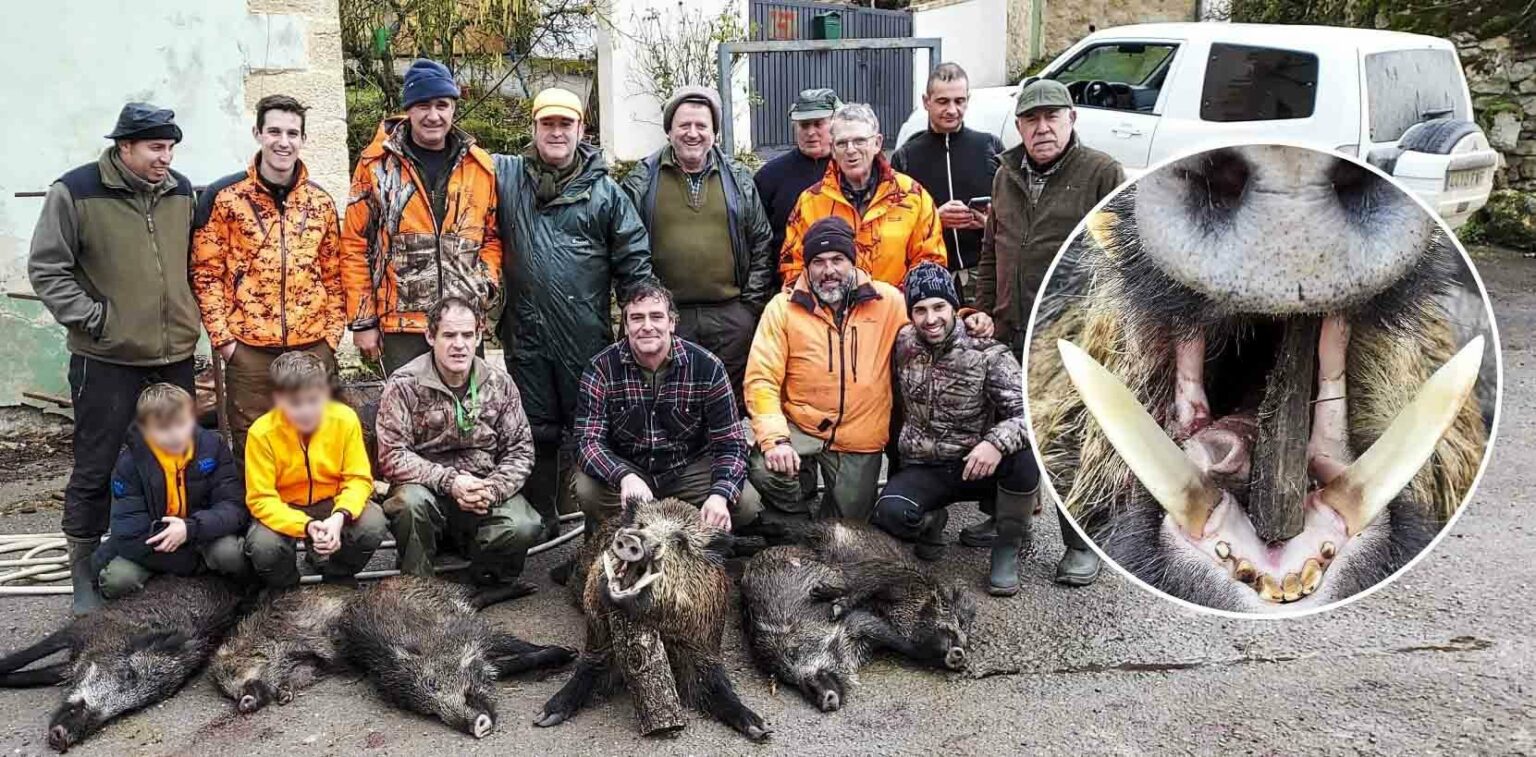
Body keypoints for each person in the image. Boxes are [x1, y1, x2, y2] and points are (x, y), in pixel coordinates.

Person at [28, 102, 201, 614]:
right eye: (154, 148)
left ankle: (161, 559)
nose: (164, 158)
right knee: (97, 464)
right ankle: (83, 571)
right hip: (105, 358)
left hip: (172, 355)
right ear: (124, 147)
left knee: (176, 460)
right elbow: (46, 268)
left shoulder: (181, 192)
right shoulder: (75, 192)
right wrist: (96, 319)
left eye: (169, 148)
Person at [973, 78, 1125, 586]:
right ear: (1019, 126)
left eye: (1051, 118)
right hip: (1012, 327)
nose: (1042, 128)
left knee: (1067, 438)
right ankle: (1007, 529)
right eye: (1031, 120)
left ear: (1071, 120)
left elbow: (1123, 255)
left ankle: (1080, 543)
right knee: (1013, 430)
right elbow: (993, 247)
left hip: (1072, 332)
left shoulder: (1100, 172)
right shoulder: (1006, 173)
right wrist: (984, 310)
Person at [492, 87, 652, 542]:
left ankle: (594, 534)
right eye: (548, 124)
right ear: (535, 129)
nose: (556, 132)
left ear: (582, 129)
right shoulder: (508, 177)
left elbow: (634, 262)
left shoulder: (606, 193)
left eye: (566, 124)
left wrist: (637, 328)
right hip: (526, 334)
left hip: (587, 339)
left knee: (590, 433)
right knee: (533, 431)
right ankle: (540, 525)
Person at [192, 94, 360, 453]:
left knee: (321, 440)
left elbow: (334, 273)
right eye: (274, 132)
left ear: (303, 139)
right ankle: (258, 510)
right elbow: (206, 274)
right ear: (258, 133)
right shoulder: (226, 198)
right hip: (250, 349)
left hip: (313, 344)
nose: (283, 142)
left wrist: (331, 339)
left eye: (292, 133)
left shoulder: (320, 202)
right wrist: (225, 342)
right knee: (254, 442)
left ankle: (326, 509)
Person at [870, 263, 1036, 595]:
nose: (930, 318)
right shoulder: (903, 344)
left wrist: (995, 444)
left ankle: (1007, 546)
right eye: (919, 310)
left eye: (938, 307)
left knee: (1026, 460)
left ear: (953, 307)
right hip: (925, 466)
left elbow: (1031, 414)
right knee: (888, 513)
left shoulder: (987, 352)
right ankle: (930, 521)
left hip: (977, 464)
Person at [344, 58, 502, 374]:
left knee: (468, 414)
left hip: (462, 323)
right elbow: (354, 244)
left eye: (442, 105)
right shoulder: (375, 166)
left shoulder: (479, 165)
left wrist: (483, 284)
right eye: (423, 105)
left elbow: (492, 236)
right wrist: (362, 321)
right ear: (409, 109)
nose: (433, 115)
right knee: (408, 415)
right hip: (402, 325)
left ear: (453, 108)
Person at [744, 217, 908, 521]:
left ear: (853, 260)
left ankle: (826, 517)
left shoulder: (890, 302)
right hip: (801, 426)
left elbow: (932, 325)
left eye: (837, 259)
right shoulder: (782, 308)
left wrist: (969, 319)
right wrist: (775, 439)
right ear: (806, 266)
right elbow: (761, 380)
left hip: (859, 436)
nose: (828, 271)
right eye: (818, 262)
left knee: (848, 528)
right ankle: (795, 519)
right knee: (764, 469)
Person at [376, 296, 543, 589]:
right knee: (408, 503)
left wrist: (491, 489)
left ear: (479, 336)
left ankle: (484, 579)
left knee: (524, 524)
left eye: (468, 335)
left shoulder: (499, 383)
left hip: (482, 490)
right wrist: (450, 482)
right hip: (428, 490)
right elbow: (392, 455)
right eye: (449, 335)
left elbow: (521, 450)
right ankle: (417, 587)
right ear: (430, 336)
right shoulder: (403, 384)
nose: (460, 344)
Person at [619, 86, 774, 398]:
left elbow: (762, 244)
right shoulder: (641, 180)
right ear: (668, 131)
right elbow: (624, 249)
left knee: (727, 406)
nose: (693, 133)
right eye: (684, 125)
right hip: (668, 319)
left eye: (702, 126)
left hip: (730, 320)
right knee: (669, 402)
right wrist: (648, 311)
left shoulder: (739, 179)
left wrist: (748, 309)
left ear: (714, 132)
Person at [573, 279, 760, 533]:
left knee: (746, 504)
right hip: (629, 469)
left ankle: (690, 535)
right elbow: (587, 442)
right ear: (625, 325)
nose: (647, 326)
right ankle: (613, 532)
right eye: (637, 318)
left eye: (656, 317)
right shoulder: (601, 368)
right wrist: (624, 476)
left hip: (686, 468)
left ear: (672, 323)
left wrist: (719, 494)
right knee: (587, 492)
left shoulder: (707, 366)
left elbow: (731, 442)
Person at [243, 351, 386, 587]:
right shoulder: (261, 433)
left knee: (372, 525)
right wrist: (305, 526)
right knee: (263, 546)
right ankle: (286, 587)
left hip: (333, 501)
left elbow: (359, 479)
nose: (306, 411)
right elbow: (261, 499)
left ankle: (338, 575)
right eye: (295, 403)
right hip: (284, 505)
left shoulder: (345, 419)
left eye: (314, 400)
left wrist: (341, 516)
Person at [93, 384, 248, 600]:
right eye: (164, 428)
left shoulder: (213, 447)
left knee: (231, 554)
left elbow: (233, 507)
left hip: (200, 535)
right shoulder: (129, 465)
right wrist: (189, 565)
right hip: (155, 545)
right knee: (118, 580)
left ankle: (239, 597)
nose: (176, 435)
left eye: (182, 424)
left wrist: (190, 528)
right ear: (146, 429)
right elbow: (129, 533)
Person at [778, 103, 946, 288]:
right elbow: (793, 269)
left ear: (877, 143)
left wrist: (896, 304)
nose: (851, 150)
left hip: (896, 312)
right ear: (833, 150)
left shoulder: (912, 196)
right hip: (829, 313)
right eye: (842, 143)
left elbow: (931, 264)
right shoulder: (810, 202)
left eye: (859, 141)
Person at [891, 63, 1003, 301]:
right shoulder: (906, 157)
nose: (952, 109)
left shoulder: (989, 147)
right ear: (926, 101)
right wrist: (933, 219)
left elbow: (1014, 212)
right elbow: (893, 223)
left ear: (968, 100)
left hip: (983, 274)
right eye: (943, 101)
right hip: (930, 278)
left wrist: (989, 220)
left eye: (959, 101)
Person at [753, 88, 841, 281]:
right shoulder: (770, 177)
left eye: (818, 124)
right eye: (804, 125)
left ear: (835, 124)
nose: (811, 132)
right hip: (789, 287)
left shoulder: (850, 170)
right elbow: (758, 243)